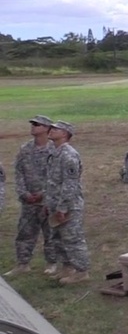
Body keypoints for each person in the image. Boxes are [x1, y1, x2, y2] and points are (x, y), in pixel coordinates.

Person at [4, 115, 58, 277]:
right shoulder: (25, 149)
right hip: (28, 201)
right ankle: (23, 263)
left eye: (37, 124)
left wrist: (44, 194)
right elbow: (19, 172)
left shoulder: (54, 150)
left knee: (50, 233)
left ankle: (52, 263)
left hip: (47, 201)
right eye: (32, 124)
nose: (33, 127)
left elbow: (56, 177)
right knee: (25, 233)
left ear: (47, 129)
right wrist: (24, 193)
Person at [44, 121, 91, 285]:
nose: (51, 131)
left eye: (56, 129)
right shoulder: (54, 153)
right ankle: (67, 268)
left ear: (65, 134)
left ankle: (82, 271)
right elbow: (52, 181)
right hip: (55, 204)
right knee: (58, 239)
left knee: (73, 239)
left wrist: (63, 207)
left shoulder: (68, 155)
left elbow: (69, 184)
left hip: (68, 205)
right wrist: (48, 203)